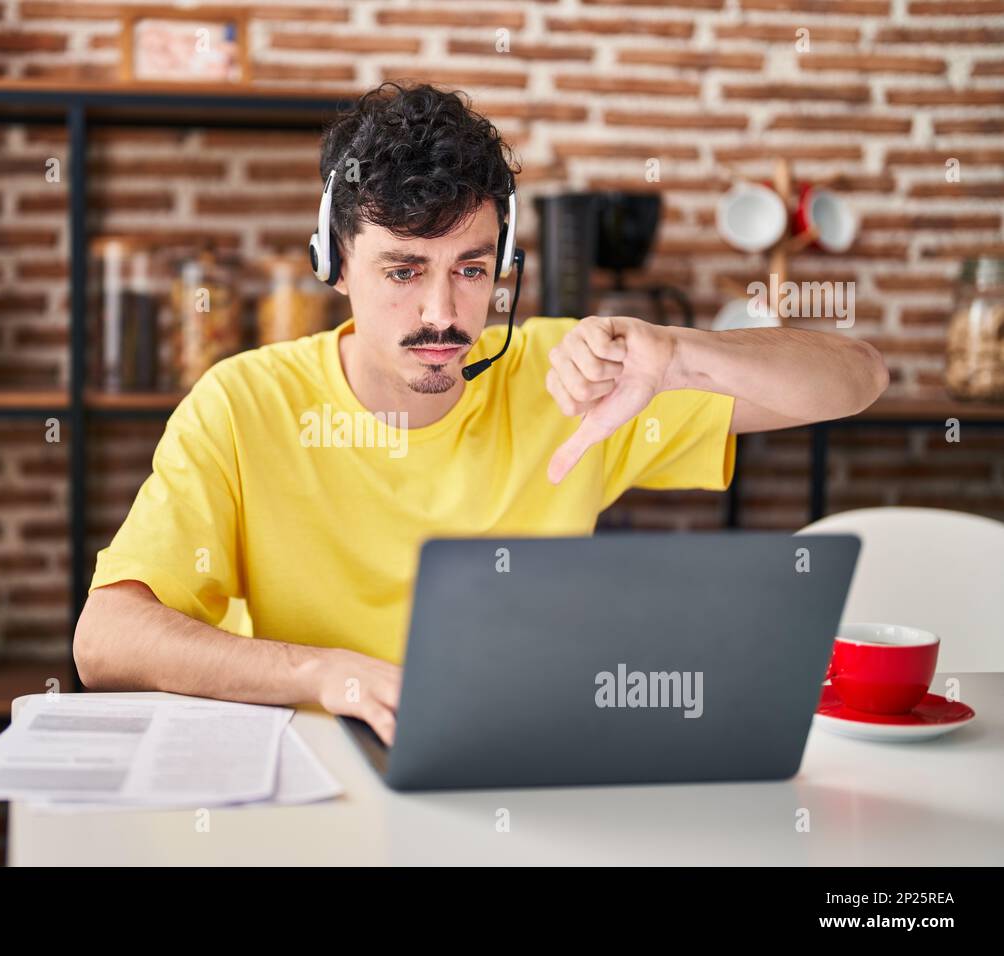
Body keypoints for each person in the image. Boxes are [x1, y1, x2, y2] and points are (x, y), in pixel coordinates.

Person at [74, 82, 888, 746]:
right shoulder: (243, 404)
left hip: (524, 767)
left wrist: (682, 354)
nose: (443, 313)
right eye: (402, 270)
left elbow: (859, 379)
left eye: (471, 269)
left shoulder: (572, 379)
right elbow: (105, 640)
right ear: (334, 265)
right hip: (328, 785)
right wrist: (325, 672)